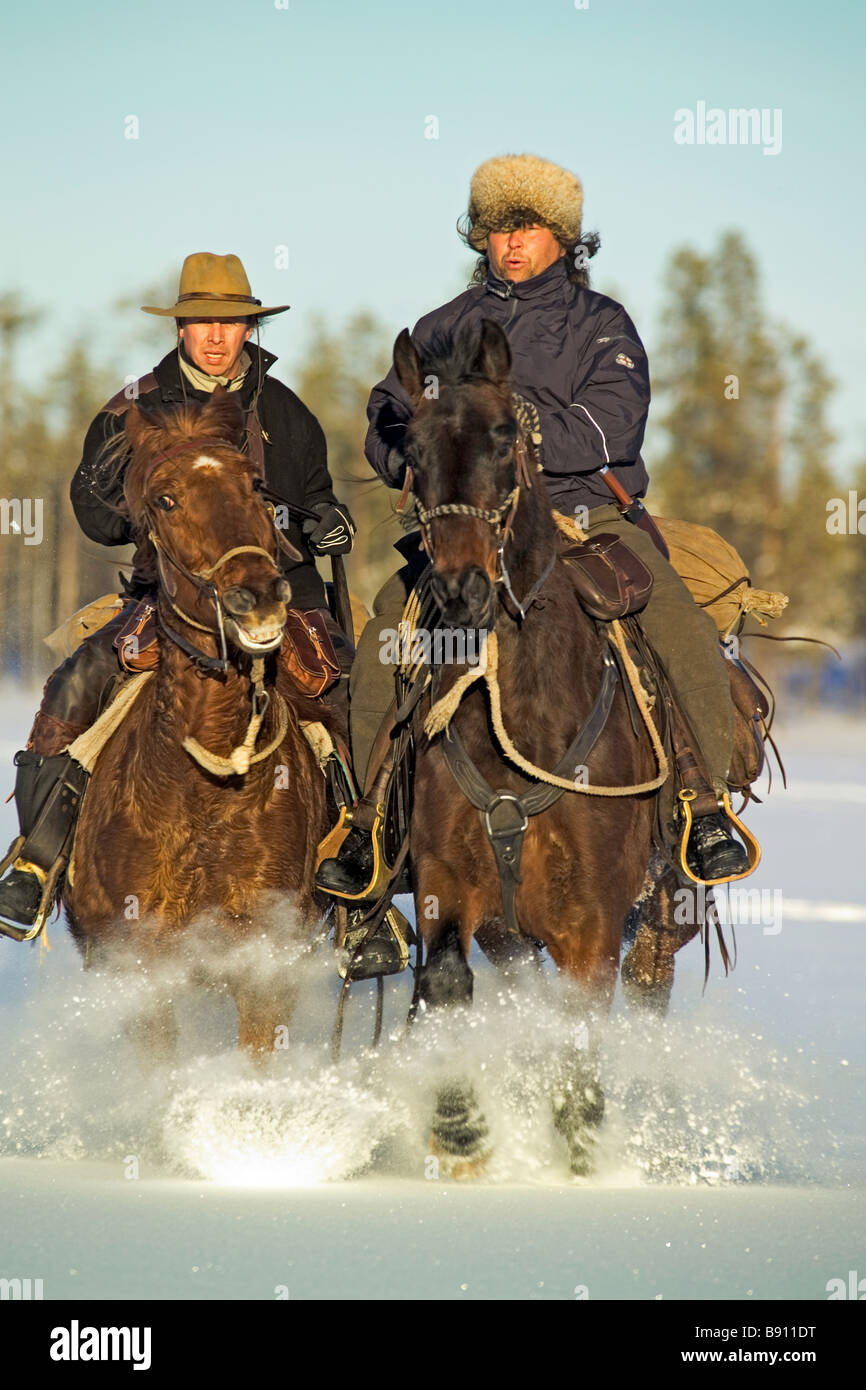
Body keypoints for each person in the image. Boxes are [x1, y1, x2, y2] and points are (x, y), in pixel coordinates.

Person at [317, 153, 748, 937]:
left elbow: (613, 422)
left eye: (528, 228)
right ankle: (369, 820)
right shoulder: (440, 326)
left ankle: (699, 803)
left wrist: (527, 429)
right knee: (388, 635)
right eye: (496, 228)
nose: (510, 243)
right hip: (464, 528)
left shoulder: (602, 325)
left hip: (585, 519)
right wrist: (406, 451)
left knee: (673, 620)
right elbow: (389, 411)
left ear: (563, 238)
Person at [0, 252, 355, 935]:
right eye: (201, 322)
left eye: (231, 321)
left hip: (282, 591)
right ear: (181, 328)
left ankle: (356, 878)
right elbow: (92, 507)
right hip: (166, 597)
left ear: (250, 328)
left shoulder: (286, 410)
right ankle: (38, 861)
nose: (217, 336)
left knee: (347, 691)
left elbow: (314, 495)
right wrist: (147, 504)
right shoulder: (133, 407)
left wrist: (327, 518)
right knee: (76, 682)